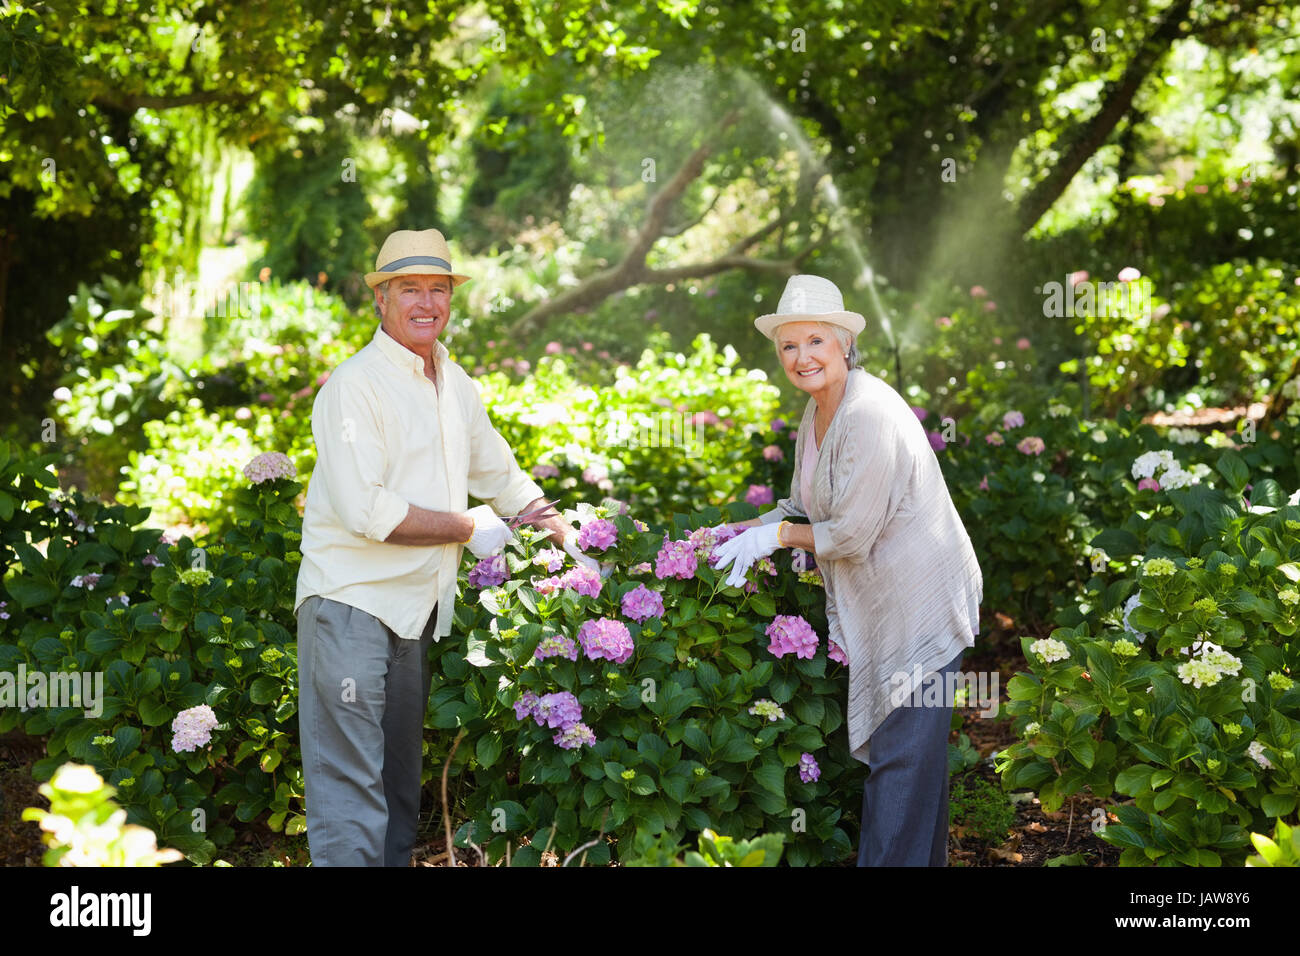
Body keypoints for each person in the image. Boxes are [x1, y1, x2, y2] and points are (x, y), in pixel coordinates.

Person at [294, 228, 594, 866]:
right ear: (381, 300)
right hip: (350, 605)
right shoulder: (354, 387)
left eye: (438, 288)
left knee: (398, 789)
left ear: (451, 298)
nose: (425, 302)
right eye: (410, 289)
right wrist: (465, 526)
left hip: (419, 612)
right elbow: (365, 510)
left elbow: (502, 477)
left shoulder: (453, 382)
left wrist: (566, 533)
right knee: (350, 790)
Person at [711, 274, 983, 867]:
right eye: (789, 346)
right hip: (890, 604)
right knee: (914, 769)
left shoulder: (868, 413)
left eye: (815, 341)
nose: (802, 357)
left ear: (843, 346)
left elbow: (852, 534)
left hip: (922, 604)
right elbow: (802, 507)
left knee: (900, 764)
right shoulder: (817, 415)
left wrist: (776, 537)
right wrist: (741, 532)